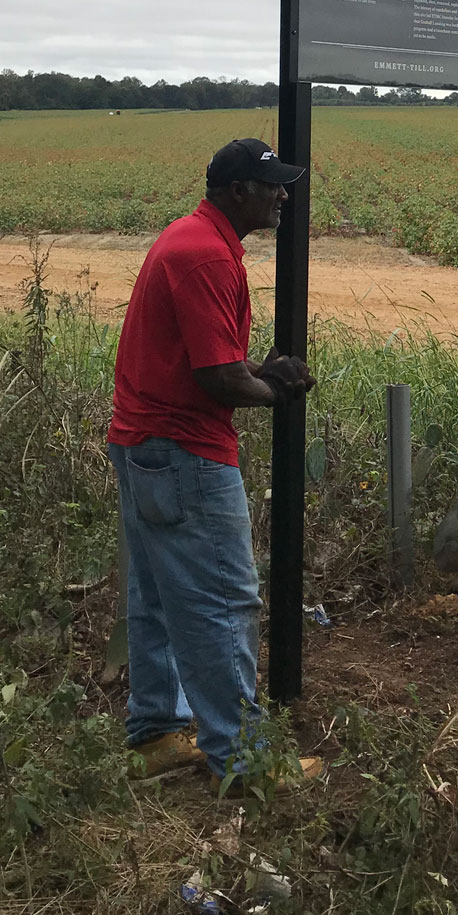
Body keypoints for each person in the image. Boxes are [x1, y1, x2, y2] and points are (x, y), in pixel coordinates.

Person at [107, 137, 322, 783]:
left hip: (144, 445)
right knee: (223, 600)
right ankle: (246, 761)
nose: (284, 194)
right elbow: (218, 381)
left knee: (157, 596)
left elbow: (216, 358)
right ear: (237, 192)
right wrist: (276, 392)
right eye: (272, 185)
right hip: (183, 453)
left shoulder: (191, 237)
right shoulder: (206, 256)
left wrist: (261, 369)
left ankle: (157, 734)